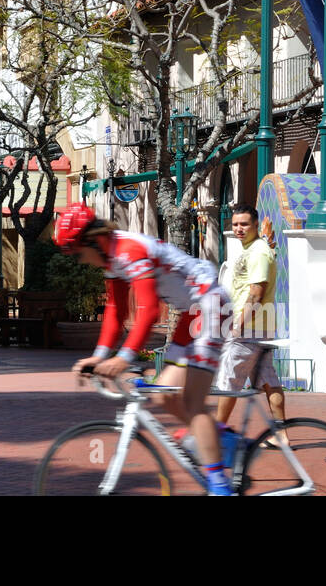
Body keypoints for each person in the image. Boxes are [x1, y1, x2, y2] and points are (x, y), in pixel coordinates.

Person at [54, 203, 234, 496]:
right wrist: (99, 356)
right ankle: (218, 439)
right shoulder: (112, 258)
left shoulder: (128, 250)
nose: (79, 260)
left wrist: (122, 359)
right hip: (192, 313)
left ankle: (219, 485)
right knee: (163, 396)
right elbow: (115, 310)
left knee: (192, 402)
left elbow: (148, 311)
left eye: (76, 252)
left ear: (92, 240)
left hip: (211, 307)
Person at [214, 204, 287, 431]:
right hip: (259, 328)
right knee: (269, 381)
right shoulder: (256, 249)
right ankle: (281, 434)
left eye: (244, 224)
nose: (239, 228)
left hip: (248, 328)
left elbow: (256, 293)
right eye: (235, 224)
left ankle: (216, 432)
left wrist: (238, 325)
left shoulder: (258, 252)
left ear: (255, 225)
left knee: (229, 382)